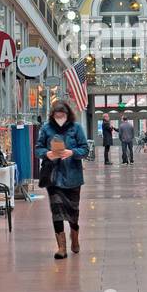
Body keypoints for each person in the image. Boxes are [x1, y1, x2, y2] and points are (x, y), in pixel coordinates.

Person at [36, 99, 89, 259]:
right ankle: (61, 247)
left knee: (73, 212)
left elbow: (85, 149)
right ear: (52, 115)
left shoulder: (76, 128)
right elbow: (38, 148)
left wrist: (72, 152)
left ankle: (74, 236)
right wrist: (46, 153)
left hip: (73, 176)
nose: (60, 118)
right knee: (56, 211)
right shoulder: (46, 129)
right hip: (53, 176)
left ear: (67, 115)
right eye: (57, 116)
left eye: (62, 115)